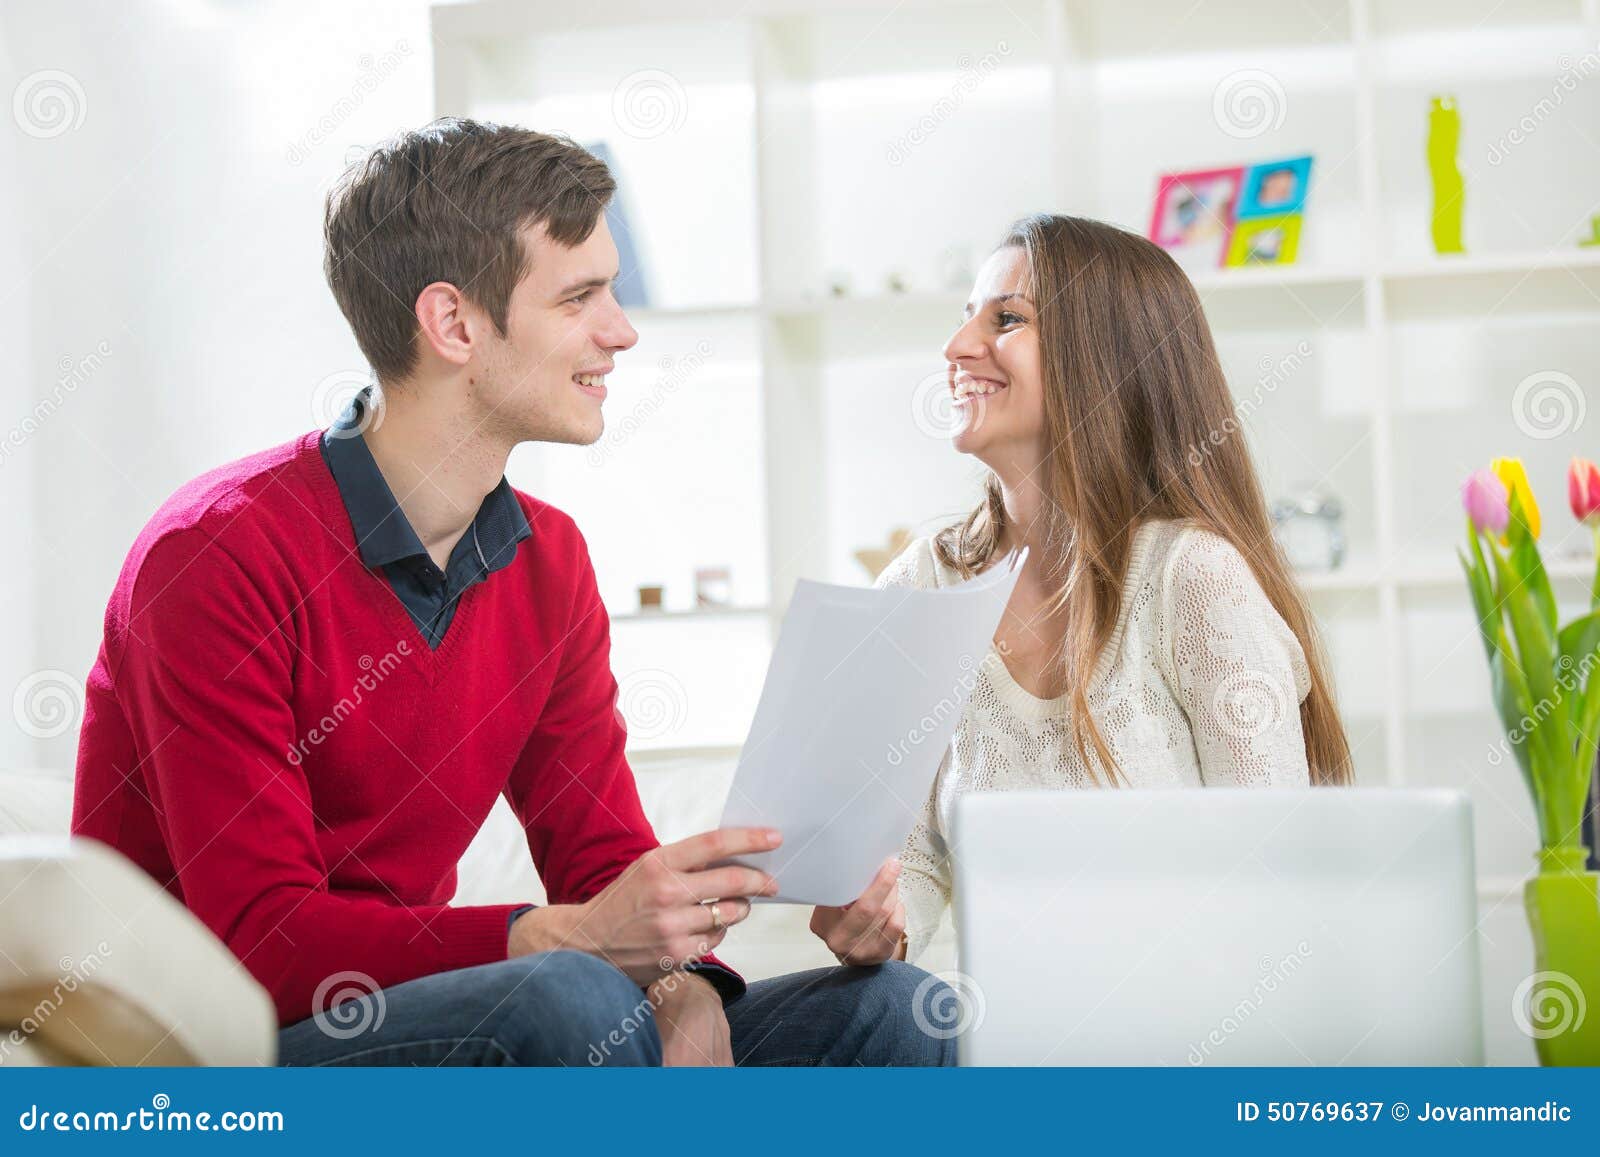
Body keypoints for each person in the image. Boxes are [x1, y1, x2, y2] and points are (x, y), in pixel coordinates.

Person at [70, 118, 953, 1067]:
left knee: (893, 1010)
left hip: (447, 1015)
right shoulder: (214, 555)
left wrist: (678, 985)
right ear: (453, 324)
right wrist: (556, 939)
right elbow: (264, 943)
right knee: (566, 996)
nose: (621, 331)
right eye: (581, 298)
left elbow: (600, 856)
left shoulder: (548, 561)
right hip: (226, 1043)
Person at [819, 213, 1353, 967]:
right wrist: (873, 924)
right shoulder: (922, 587)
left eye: (1006, 319)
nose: (958, 347)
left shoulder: (1191, 579)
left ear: (1105, 360)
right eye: (964, 317)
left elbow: (1278, 880)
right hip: (1011, 1039)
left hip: (1194, 1036)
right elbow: (916, 864)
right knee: (873, 1013)